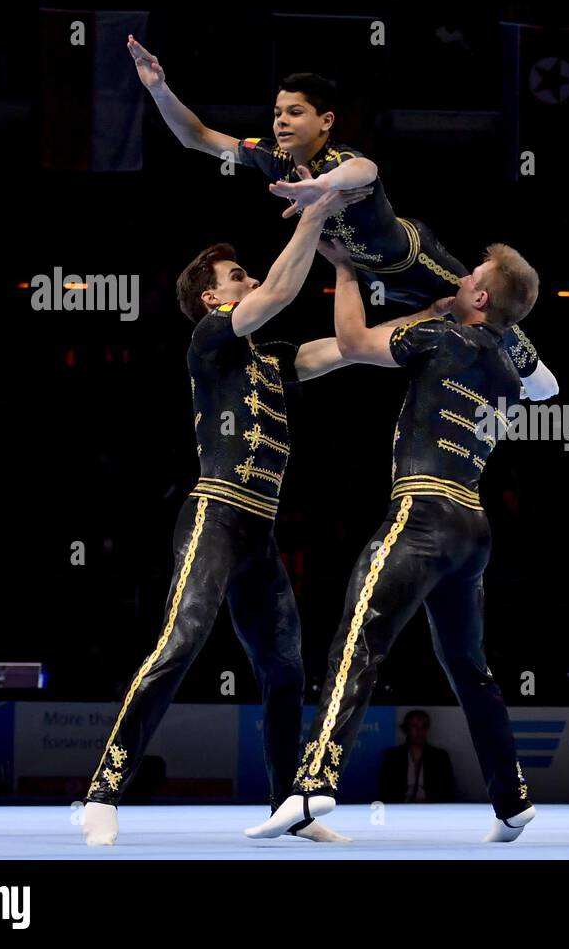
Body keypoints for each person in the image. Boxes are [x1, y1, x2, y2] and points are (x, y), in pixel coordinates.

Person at [81, 183, 422, 845]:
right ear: (214, 298)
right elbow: (280, 294)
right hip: (213, 515)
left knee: (286, 670)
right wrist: (318, 213)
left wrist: (355, 272)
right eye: (237, 276)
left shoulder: (274, 360)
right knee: (181, 641)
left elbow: (351, 347)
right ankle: (102, 791)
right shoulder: (209, 340)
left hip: (258, 535)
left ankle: (285, 807)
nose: (252, 279)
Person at [245, 238, 541, 843]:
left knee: (357, 641)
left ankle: (312, 786)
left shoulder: (442, 338)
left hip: (423, 516)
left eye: (469, 279)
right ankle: (512, 801)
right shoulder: (508, 371)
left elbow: (353, 342)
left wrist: (347, 268)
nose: (458, 281)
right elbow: (539, 381)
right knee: (469, 667)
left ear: (481, 298)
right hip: (473, 529)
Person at [125, 35, 558, 401]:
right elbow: (196, 137)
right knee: (405, 333)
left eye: (295, 113)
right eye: (277, 113)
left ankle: (538, 381)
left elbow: (366, 170)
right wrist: (158, 88)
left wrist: (324, 186)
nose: (281, 122)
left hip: (412, 259)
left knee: (484, 309)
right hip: (369, 275)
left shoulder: (341, 160)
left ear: (325, 121)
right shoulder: (271, 159)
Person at [378, 710, 457, 804]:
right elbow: (386, 790)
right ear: (406, 729)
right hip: (401, 809)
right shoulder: (393, 756)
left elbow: (447, 790)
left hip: (432, 810)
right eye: (414, 726)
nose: (419, 731)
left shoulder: (439, 757)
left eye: (424, 727)